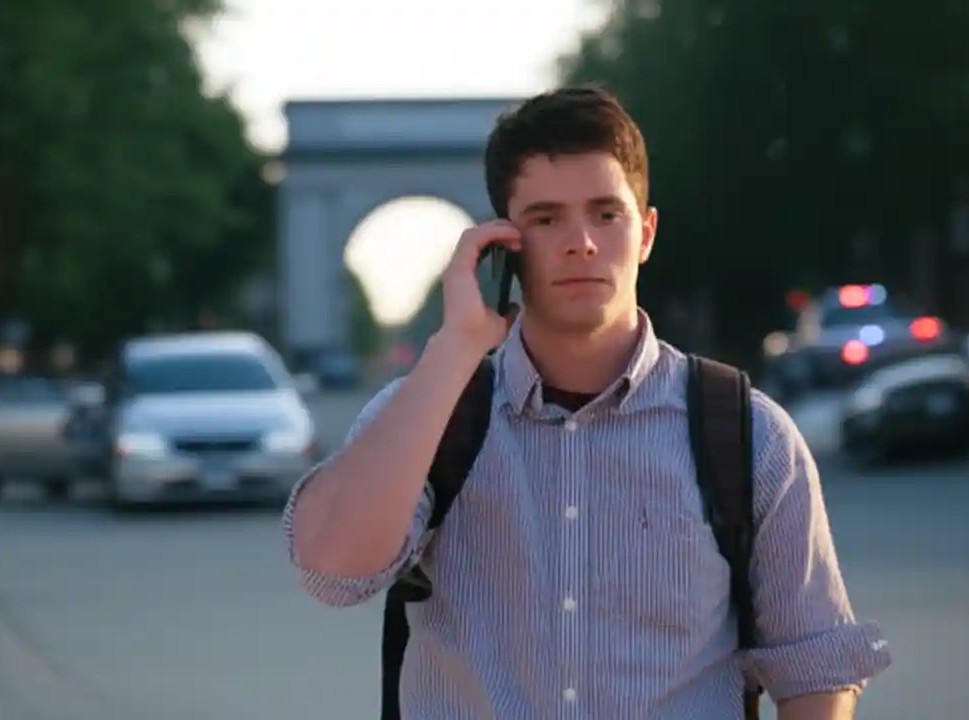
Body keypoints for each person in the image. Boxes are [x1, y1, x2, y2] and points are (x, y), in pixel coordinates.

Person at [283, 86, 891, 719]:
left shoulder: (747, 434)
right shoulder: (432, 418)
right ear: (501, 249)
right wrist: (454, 347)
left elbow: (813, 668)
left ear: (647, 231)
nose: (582, 243)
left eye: (607, 213)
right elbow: (332, 569)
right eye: (546, 219)